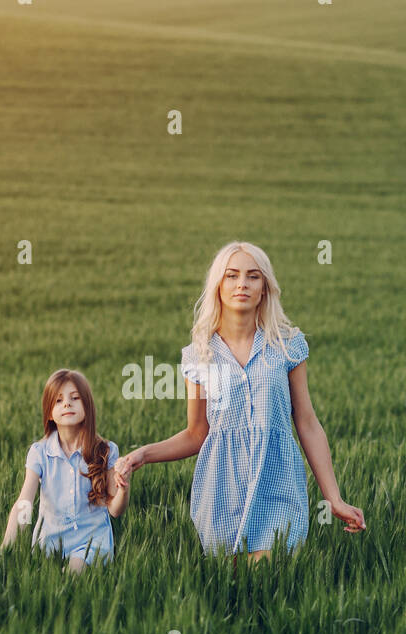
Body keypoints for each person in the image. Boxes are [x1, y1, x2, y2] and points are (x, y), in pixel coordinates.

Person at [114, 241, 364, 562]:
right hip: (220, 487)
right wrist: (142, 455)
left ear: (265, 288)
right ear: (218, 286)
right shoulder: (198, 356)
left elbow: (307, 422)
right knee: (232, 589)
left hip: (278, 480)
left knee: (268, 575)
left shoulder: (287, 346)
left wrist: (334, 499)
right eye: (231, 276)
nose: (242, 284)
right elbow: (196, 433)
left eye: (253, 276)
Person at [2, 369, 130, 571]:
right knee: (44, 580)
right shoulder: (39, 453)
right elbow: (24, 502)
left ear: (87, 406)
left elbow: (115, 510)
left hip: (91, 541)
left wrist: (123, 488)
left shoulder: (106, 451)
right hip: (50, 541)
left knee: (75, 571)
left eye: (75, 398)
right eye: (58, 400)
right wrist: (6, 550)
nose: (67, 404)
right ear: (49, 413)